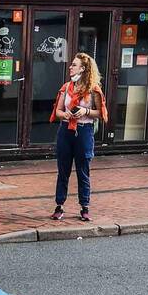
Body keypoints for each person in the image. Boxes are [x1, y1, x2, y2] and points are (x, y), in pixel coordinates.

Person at [49, 52, 107, 222]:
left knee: (83, 171)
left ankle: (85, 207)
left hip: (84, 131)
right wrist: (64, 115)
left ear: (83, 68)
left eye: (74, 65)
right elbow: (57, 111)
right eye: (71, 64)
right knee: (63, 171)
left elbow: (100, 113)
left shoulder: (94, 89)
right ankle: (59, 206)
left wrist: (85, 111)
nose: (70, 67)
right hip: (66, 130)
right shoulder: (66, 87)